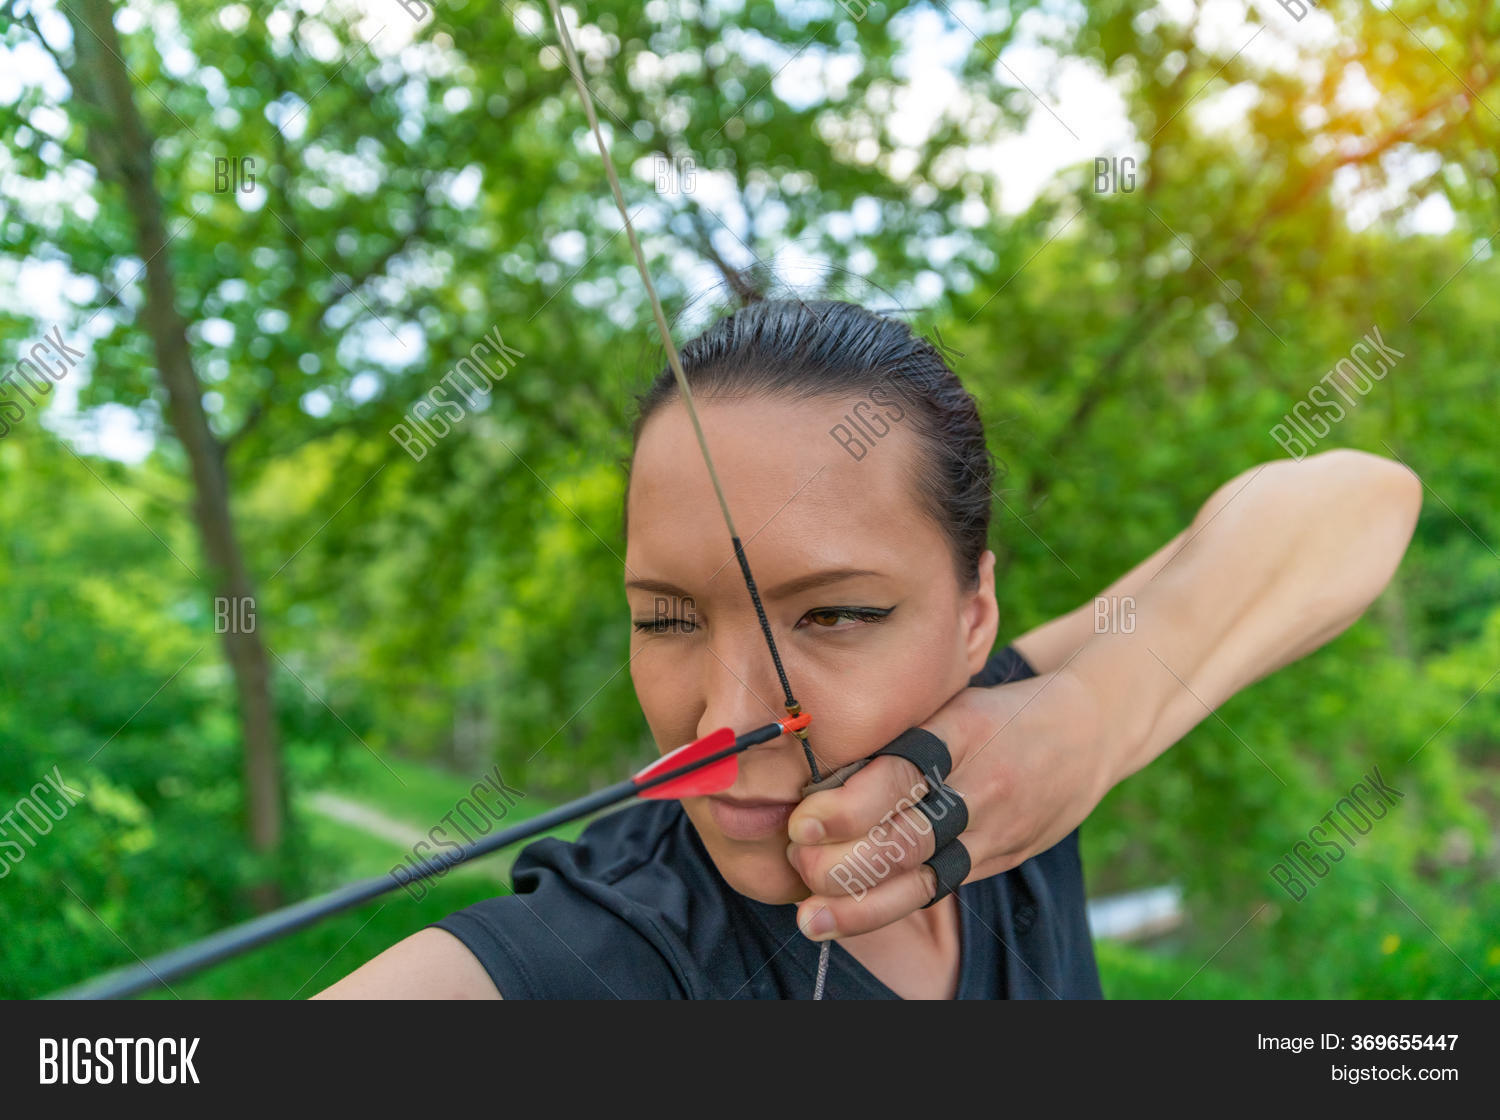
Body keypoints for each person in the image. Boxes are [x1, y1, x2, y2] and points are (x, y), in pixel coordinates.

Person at [317, 299, 1421, 999]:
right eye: (666, 619)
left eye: (835, 614)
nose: (718, 725)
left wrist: (1091, 722)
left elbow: (1362, 498)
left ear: (973, 611)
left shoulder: (1009, 732)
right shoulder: (610, 953)